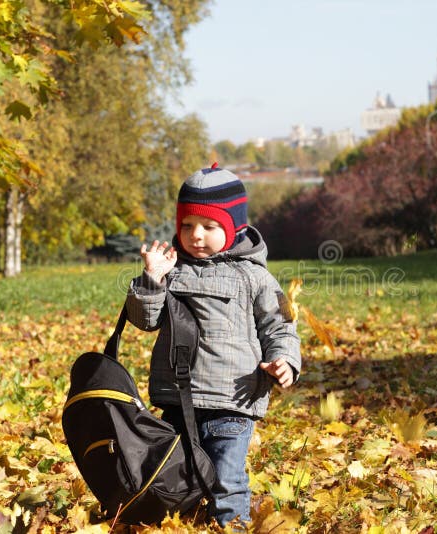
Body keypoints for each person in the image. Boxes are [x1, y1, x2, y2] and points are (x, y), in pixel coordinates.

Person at [126, 164, 302, 528]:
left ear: (233, 226)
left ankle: (230, 525)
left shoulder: (254, 276)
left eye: (209, 226)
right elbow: (145, 320)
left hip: (231, 404)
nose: (196, 236)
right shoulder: (172, 269)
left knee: (226, 481)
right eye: (187, 225)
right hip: (178, 399)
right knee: (177, 477)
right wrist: (152, 280)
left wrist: (284, 360)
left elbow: (280, 327)